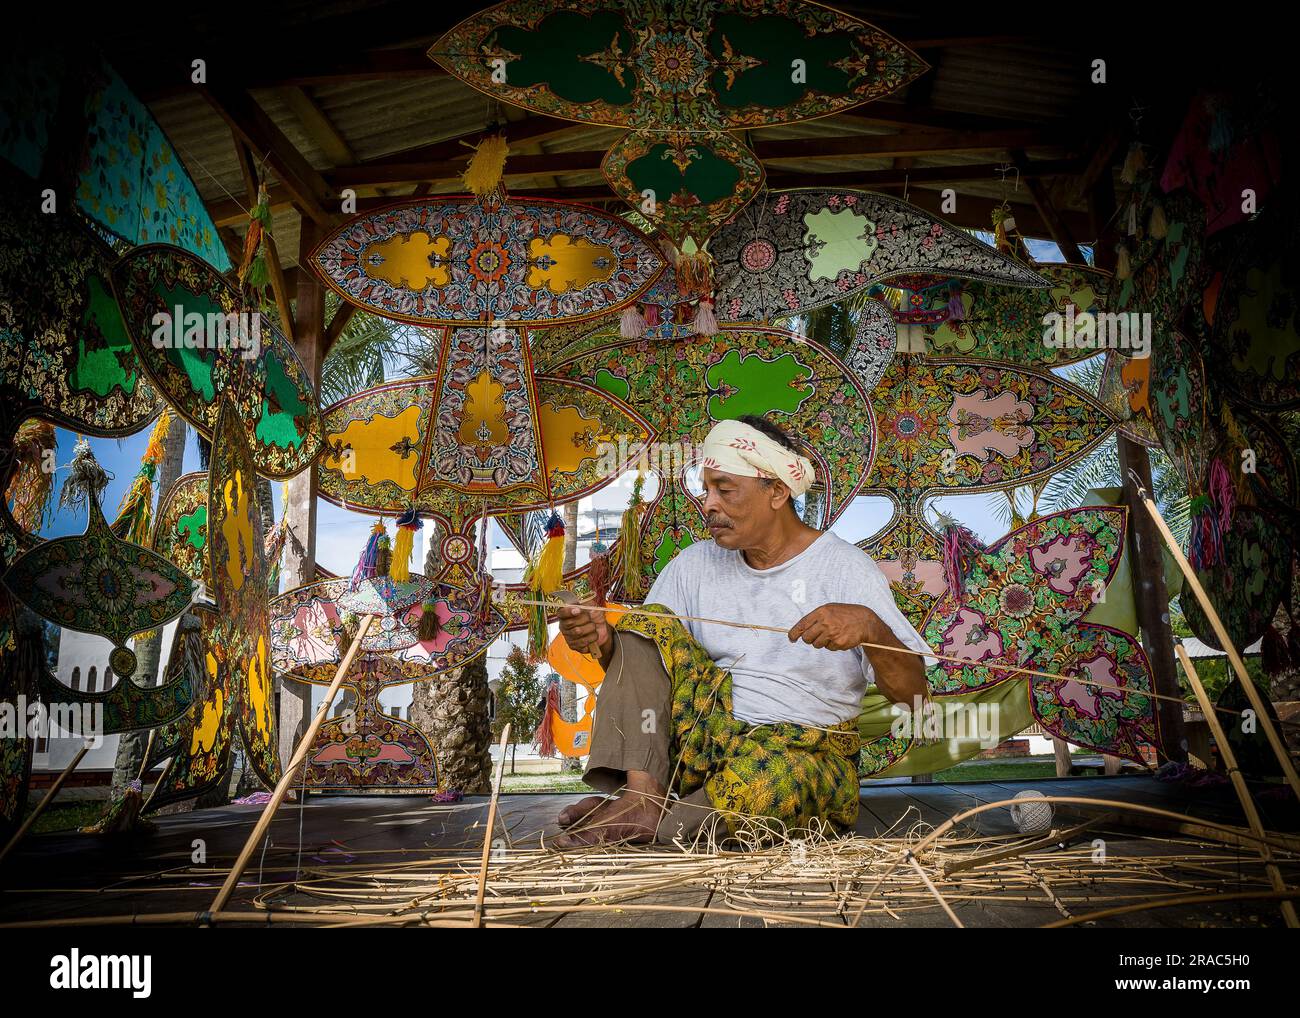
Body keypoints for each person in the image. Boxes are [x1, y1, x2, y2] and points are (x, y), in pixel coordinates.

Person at [551, 415, 935, 848]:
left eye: (724, 489)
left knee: (774, 783)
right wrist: (603, 644)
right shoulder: (693, 566)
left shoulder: (845, 570)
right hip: (702, 742)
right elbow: (642, 668)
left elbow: (916, 699)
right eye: (707, 489)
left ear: (776, 491)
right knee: (645, 623)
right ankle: (642, 796)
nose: (709, 504)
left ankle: (656, 812)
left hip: (799, 754)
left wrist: (871, 628)